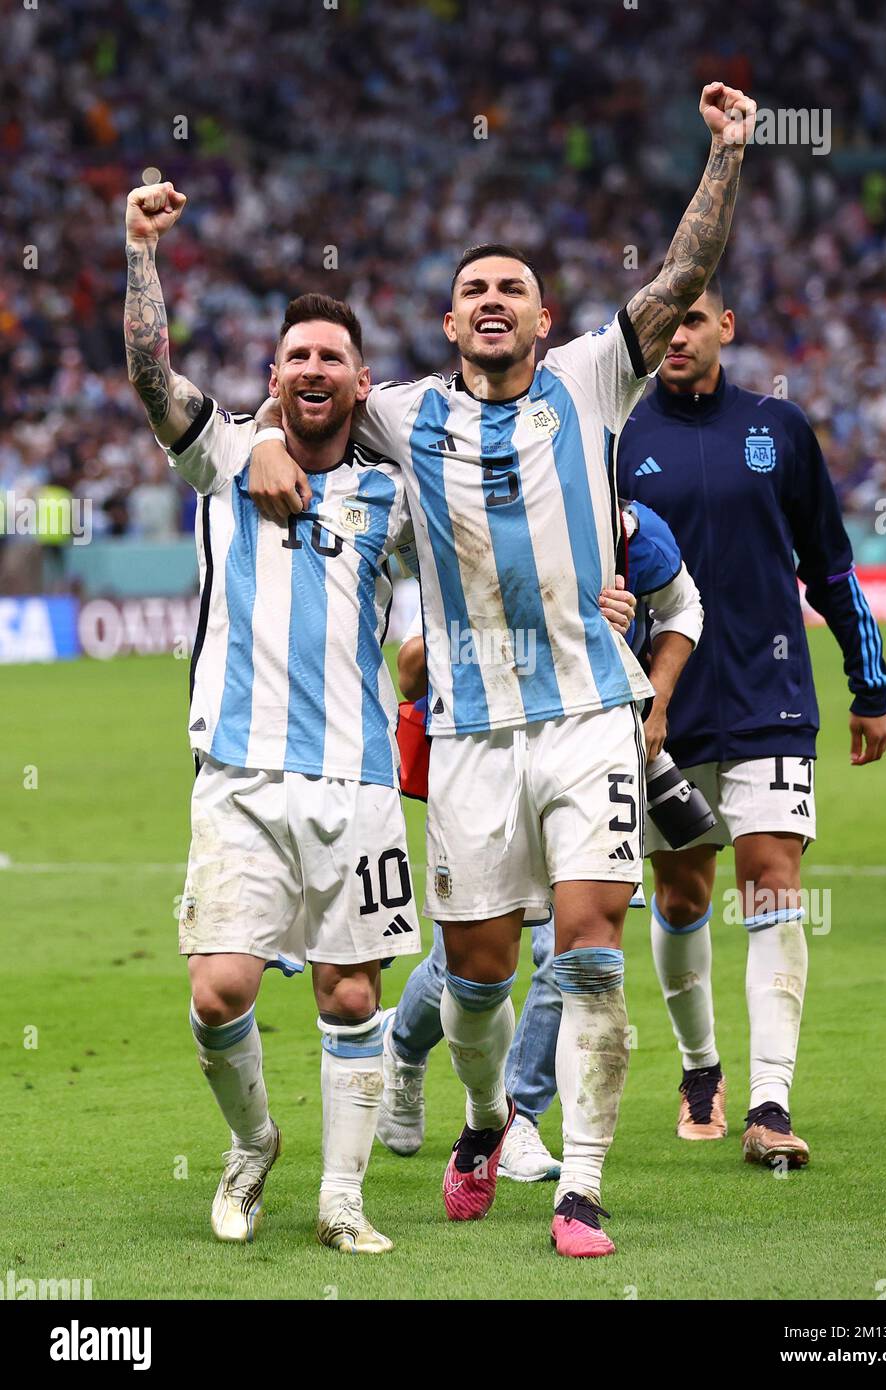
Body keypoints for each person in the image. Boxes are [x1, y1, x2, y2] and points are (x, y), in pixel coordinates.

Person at [248, 82, 756, 1256]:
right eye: (472, 289)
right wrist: (275, 428)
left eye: (510, 290)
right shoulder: (404, 412)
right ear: (446, 323)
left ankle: (577, 1185)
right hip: (470, 732)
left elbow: (682, 273)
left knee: (586, 949)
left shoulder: (592, 377)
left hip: (588, 714)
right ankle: (483, 1121)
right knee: (474, 978)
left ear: (543, 320)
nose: (491, 302)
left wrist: (724, 153)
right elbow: (310, 402)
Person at [124, 181, 422, 1252]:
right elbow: (152, 379)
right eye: (294, 355)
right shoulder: (223, 459)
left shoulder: (397, 496)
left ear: (360, 381)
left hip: (355, 780)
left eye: (329, 357)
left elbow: (424, 624)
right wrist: (142, 251)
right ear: (271, 377)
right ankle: (254, 1141)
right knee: (219, 989)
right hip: (238, 774)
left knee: (350, 996)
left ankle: (343, 1199)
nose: (310, 368)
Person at [618, 276, 886, 1166]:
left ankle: (769, 1102)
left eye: (693, 320)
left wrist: (868, 682)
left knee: (771, 879)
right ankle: (701, 1068)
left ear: (725, 327)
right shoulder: (618, 436)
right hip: (663, 703)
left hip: (771, 700)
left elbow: (831, 563)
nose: (678, 336)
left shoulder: (778, 430)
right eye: (665, 322)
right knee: (681, 893)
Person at [379, 579, 646, 1183]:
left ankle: (519, 1118)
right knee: (464, 965)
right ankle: (402, 1042)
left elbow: (681, 600)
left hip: (585, 744)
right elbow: (411, 670)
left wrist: (623, 623)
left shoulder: (609, 513)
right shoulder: (455, 508)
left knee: (571, 953)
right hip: (487, 751)